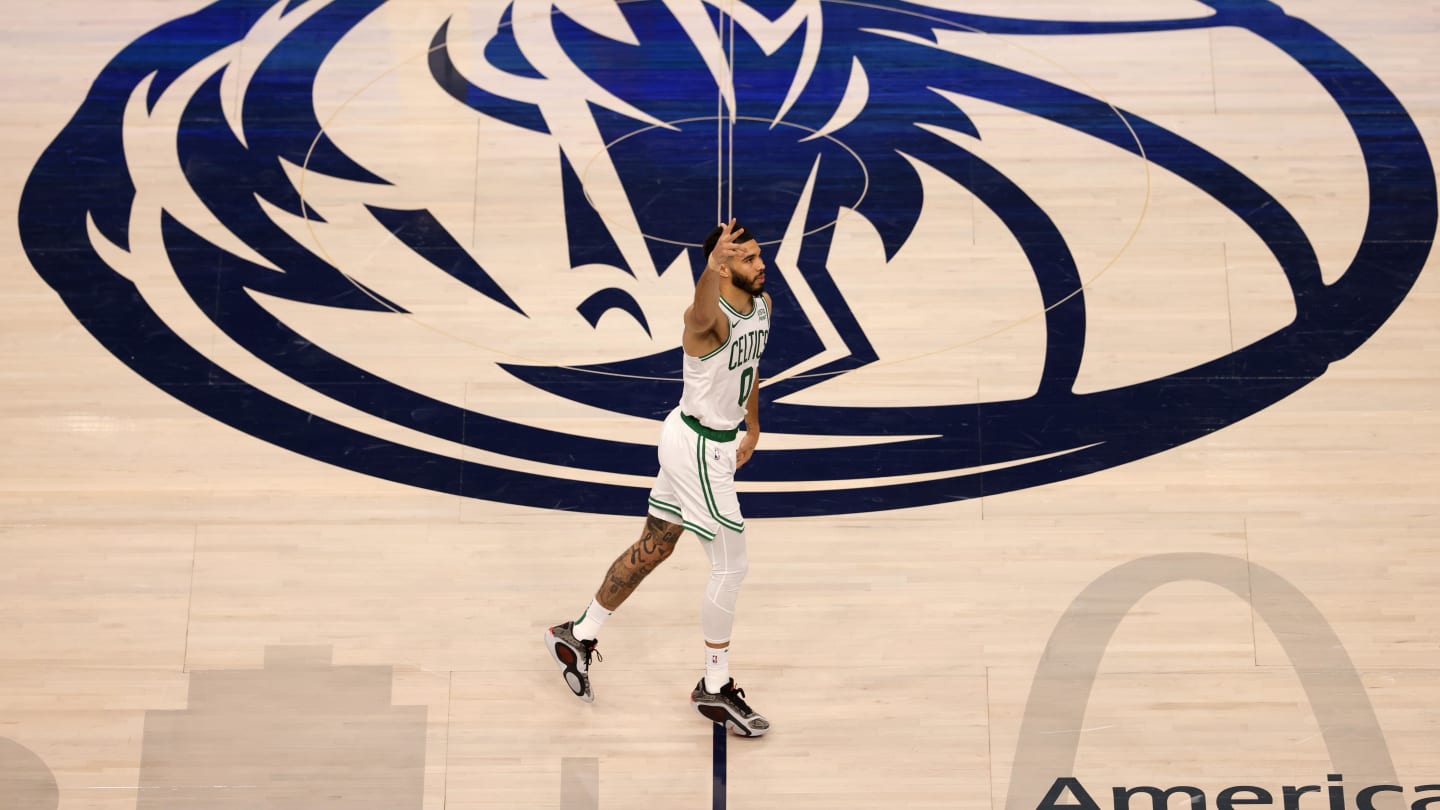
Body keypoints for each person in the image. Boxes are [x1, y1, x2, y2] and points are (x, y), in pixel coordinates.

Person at [545, 219, 772, 737]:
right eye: (749, 258)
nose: (761, 265)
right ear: (722, 267)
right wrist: (710, 266)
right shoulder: (705, 323)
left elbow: (753, 365)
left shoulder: (762, 306)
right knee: (731, 566)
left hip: (690, 439)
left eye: (760, 255)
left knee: (657, 544)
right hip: (698, 449)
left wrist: (754, 425)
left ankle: (579, 633)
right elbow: (700, 307)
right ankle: (714, 687)